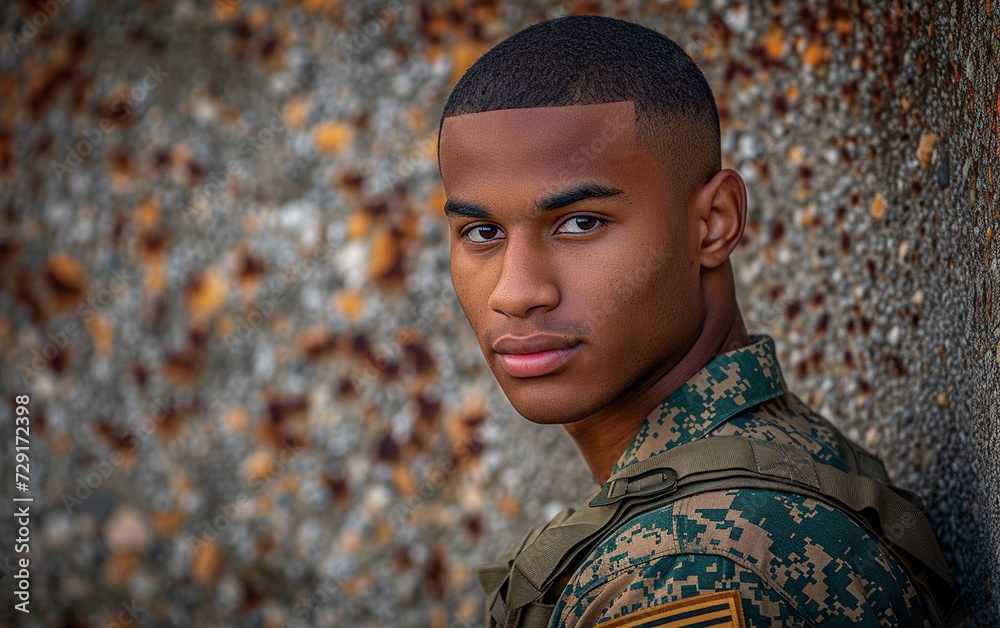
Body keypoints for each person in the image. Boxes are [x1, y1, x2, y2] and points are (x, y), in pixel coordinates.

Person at [436, 15, 959, 627]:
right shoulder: (773, 459)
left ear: (713, 222)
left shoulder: (683, 571)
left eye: (581, 222)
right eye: (483, 232)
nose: (516, 292)